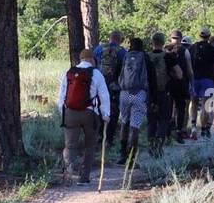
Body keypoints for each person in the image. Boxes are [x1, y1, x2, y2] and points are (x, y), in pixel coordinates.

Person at [57, 47, 111, 185]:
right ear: (92, 59)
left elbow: (62, 95)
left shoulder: (69, 72)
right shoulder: (96, 73)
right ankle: (84, 177)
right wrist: (106, 114)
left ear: (80, 59)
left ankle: (68, 176)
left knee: (70, 146)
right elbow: (104, 96)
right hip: (90, 114)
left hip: (70, 113)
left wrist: (62, 111)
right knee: (90, 145)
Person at [116, 37, 151, 163]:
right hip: (139, 93)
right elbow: (150, 77)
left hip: (124, 93)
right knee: (135, 126)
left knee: (124, 122)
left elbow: (118, 74)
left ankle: (121, 154)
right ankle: (131, 158)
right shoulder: (144, 57)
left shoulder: (126, 56)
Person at [93, 31, 126, 148]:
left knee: (99, 109)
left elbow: (93, 66)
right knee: (113, 112)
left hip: (99, 85)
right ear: (120, 40)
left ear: (109, 38)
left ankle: (99, 136)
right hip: (114, 87)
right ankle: (109, 139)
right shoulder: (123, 52)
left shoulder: (98, 49)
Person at [145, 32, 173, 156]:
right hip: (164, 92)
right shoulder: (168, 56)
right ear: (163, 42)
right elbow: (179, 74)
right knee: (163, 119)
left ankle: (151, 146)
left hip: (149, 93)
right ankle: (159, 146)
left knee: (151, 120)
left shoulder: (146, 57)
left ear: (152, 42)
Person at [189, 28, 214, 138]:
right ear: (209, 36)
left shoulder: (192, 47)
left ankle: (193, 125)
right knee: (205, 106)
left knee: (194, 103)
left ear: (199, 35)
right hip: (207, 80)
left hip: (194, 79)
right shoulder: (212, 50)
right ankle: (204, 129)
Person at [166, 30, 192, 142]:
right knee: (180, 108)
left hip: (167, 83)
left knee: (168, 108)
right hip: (181, 83)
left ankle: (166, 134)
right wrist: (192, 82)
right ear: (181, 39)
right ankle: (179, 133)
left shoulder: (165, 50)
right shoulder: (185, 51)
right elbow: (189, 69)